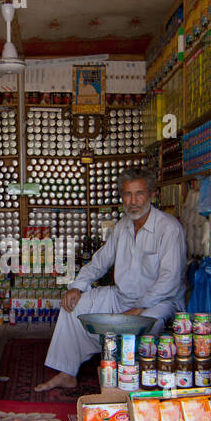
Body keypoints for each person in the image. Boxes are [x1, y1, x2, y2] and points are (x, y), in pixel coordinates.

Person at [34, 168, 186, 393]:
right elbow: (99, 262)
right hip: (122, 296)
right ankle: (67, 372)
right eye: (127, 194)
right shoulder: (123, 226)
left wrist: (138, 309)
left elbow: (169, 280)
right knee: (73, 306)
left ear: (152, 195)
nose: (133, 201)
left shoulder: (169, 228)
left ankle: (131, 384)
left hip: (159, 302)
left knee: (140, 325)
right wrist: (77, 286)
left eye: (139, 194)